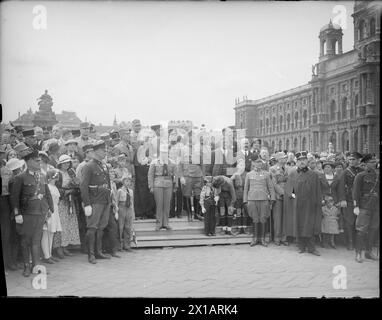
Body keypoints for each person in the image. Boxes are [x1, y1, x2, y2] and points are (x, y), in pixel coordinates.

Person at [10, 148, 54, 277]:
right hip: (27, 214)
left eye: (40, 161)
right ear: (28, 161)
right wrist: (17, 213)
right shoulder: (20, 177)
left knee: (36, 240)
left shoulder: (42, 175)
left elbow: (47, 193)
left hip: (40, 212)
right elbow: (14, 198)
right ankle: (27, 266)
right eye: (36, 161)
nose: (39, 163)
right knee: (25, 241)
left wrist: (50, 209)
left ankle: (36, 266)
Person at [80, 140, 113, 264]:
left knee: (101, 227)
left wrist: (110, 198)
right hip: (95, 201)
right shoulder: (88, 166)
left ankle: (98, 252)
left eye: (105, 150)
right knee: (92, 227)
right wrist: (87, 204)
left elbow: (108, 184)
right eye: (102, 150)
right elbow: (83, 186)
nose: (105, 152)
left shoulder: (103, 165)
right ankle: (91, 254)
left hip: (105, 200)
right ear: (95, 152)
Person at [283, 151, 322, 255]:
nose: (302, 162)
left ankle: (311, 247)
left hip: (310, 205)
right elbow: (288, 189)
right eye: (299, 160)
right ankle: (301, 246)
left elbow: (317, 190)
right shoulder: (292, 174)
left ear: (307, 161)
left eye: (304, 160)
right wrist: (292, 195)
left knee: (309, 225)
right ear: (297, 162)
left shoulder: (313, 175)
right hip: (297, 204)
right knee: (299, 224)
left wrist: (318, 202)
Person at [353, 154, 379, 263]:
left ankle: (368, 252)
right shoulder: (360, 175)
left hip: (376, 206)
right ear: (366, 163)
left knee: (373, 229)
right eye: (372, 162)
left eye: (375, 161)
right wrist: (356, 206)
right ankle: (358, 253)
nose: (374, 163)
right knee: (361, 230)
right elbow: (355, 192)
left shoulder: (378, 175)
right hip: (364, 206)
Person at [244, 156, 275, 246]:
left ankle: (262, 239)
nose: (259, 164)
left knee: (263, 219)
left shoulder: (266, 174)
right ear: (253, 163)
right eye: (257, 162)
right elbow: (246, 188)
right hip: (252, 199)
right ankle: (255, 238)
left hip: (264, 199)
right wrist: (245, 201)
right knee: (255, 219)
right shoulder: (249, 174)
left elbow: (270, 187)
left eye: (260, 162)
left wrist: (272, 199)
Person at [55, 154, 81, 257]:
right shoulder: (58, 173)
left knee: (69, 223)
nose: (66, 164)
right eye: (64, 163)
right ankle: (59, 248)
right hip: (62, 201)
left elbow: (77, 184)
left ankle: (65, 246)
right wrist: (66, 191)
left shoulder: (71, 172)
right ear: (60, 164)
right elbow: (55, 187)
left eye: (68, 162)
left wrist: (74, 189)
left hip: (70, 201)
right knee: (62, 224)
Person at [148, 143, 177, 231]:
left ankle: (166, 223)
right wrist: (151, 186)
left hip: (168, 184)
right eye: (162, 152)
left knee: (167, 204)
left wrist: (176, 186)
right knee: (159, 204)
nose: (164, 154)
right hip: (158, 184)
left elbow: (176, 175)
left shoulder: (172, 162)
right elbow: (150, 175)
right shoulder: (154, 162)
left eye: (166, 152)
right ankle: (159, 223)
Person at [338, 152, 363, 250]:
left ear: (358, 160)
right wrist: (343, 199)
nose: (351, 161)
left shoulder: (362, 171)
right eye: (350, 160)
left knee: (360, 222)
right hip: (349, 199)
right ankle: (350, 242)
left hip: (360, 199)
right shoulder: (345, 172)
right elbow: (341, 187)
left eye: (353, 159)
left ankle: (359, 243)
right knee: (349, 221)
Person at [41, 169, 62, 264]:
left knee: (51, 233)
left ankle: (49, 254)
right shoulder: (48, 187)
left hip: (55, 211)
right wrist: (47, 210)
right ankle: (46, 255)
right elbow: (46, 200)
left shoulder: (55, 187)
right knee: (46, 233)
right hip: (49, 211)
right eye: (54, 176)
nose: (56, 178)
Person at [269, 151, 289, 246]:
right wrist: (283, 193)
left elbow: (290, 182)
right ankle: (277, 238)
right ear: (278, 159)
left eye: (285, 157)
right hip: (278, 196)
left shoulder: (287, 168)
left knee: (285, 218)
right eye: (284, 157)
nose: (285, 159)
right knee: (277, 218)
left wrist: (292, 194)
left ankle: (284, 238)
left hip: (287, 195)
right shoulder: (272, 169)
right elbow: (274, 183)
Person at [116, 175, 136, 251]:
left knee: (128, 227)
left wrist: (133, 213)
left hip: (129, 209)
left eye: (129, 181)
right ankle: (119, 245)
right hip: (122, 208)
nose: (128, 183)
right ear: (123, 182)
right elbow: (117, 202)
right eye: (126, 181)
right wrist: (116, 211)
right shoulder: (120, 191)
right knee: (120, 227)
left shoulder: (131, 191)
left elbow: (132, 202)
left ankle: (127, 245)